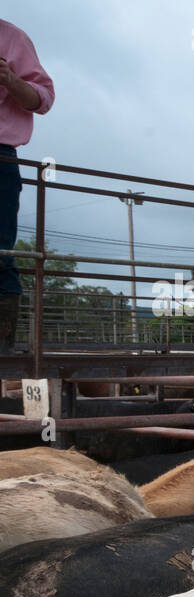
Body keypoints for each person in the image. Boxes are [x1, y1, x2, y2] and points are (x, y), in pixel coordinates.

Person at [0, 20, 54, 355]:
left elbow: (44, 99)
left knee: (1, 253)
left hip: (1, 157)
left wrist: (10, 80)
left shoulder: (12, 38)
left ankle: (3, 345)